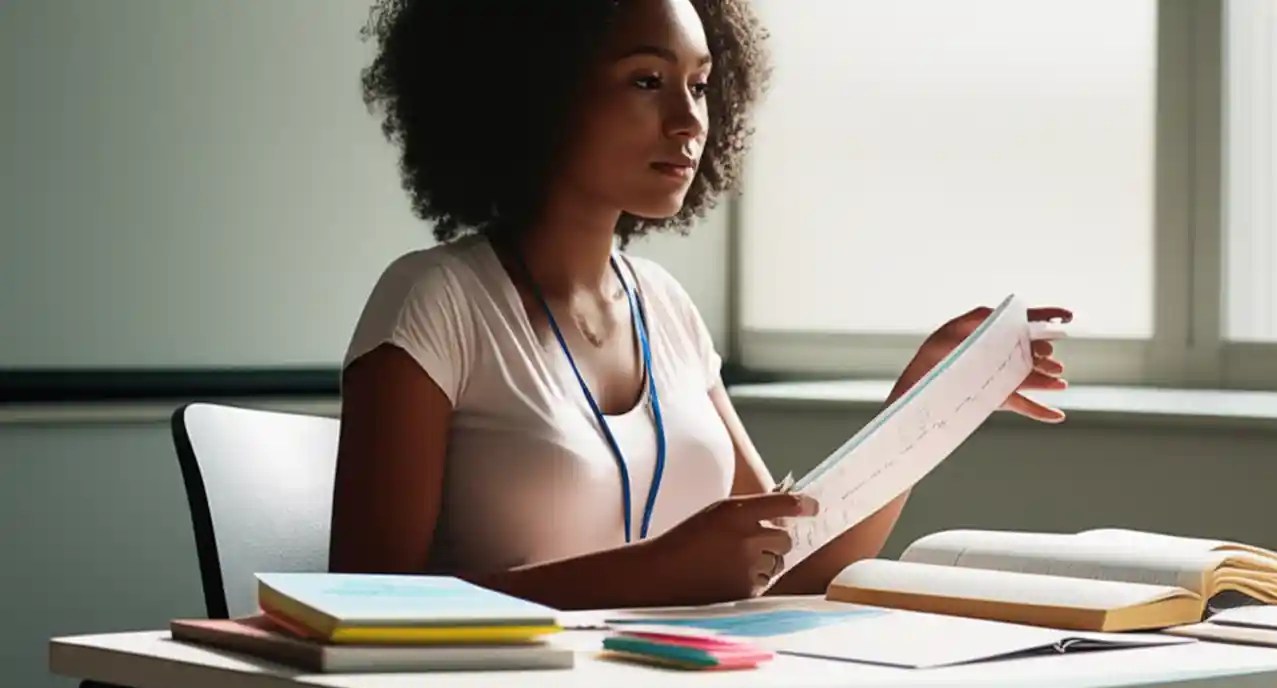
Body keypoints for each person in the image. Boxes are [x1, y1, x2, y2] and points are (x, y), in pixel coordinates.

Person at [329, 0, 1072, 610]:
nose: (689, 121)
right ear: (536, 88)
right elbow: (360, 604)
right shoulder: (433, 304)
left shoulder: (666, 308)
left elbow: (792, 563)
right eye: (647, 81)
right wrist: (658, 572)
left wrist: (928, 400)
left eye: (700, 84)